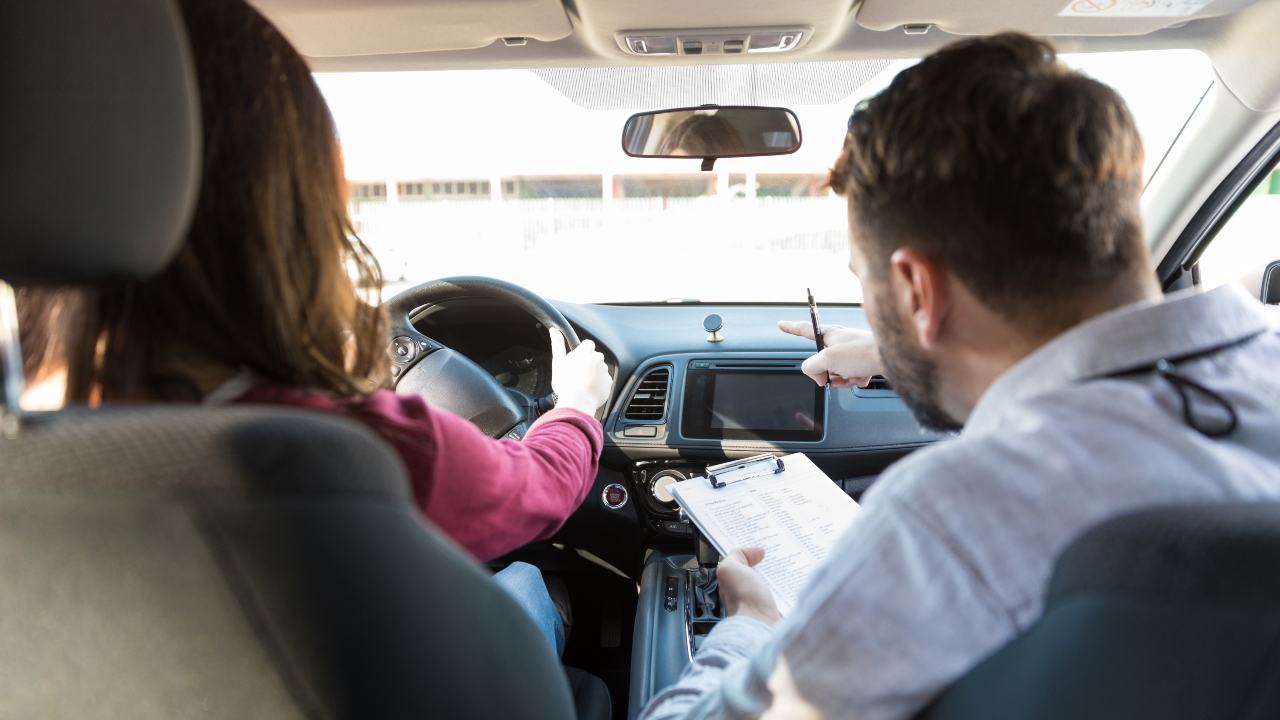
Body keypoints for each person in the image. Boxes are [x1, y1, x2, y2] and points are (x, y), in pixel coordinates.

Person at [641, 33, 1280, 719]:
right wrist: (897, 348)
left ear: (918, 288)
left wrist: (748, 624)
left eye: (868, 285)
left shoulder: (955, 514)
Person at [17, 0, 609, 653]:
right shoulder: (363, 450)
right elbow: (538, 490)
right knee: (528, 582)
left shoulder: (25, 432)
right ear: (293, 208)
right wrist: (577, 407)